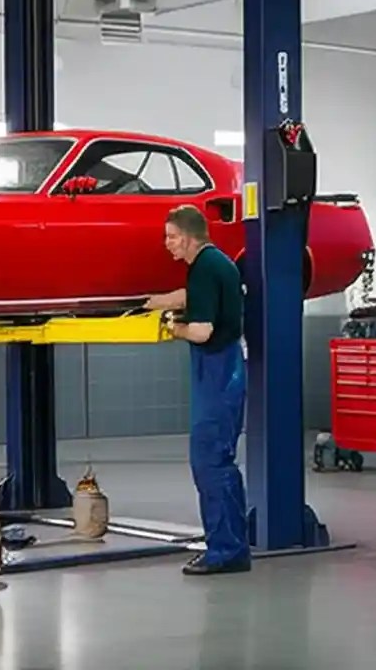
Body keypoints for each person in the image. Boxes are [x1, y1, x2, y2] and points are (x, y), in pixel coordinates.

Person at [143, 205, 251, 576]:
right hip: (226, 367)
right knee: (220, 461)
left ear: (188, 237)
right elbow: (192, 295)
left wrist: (168, 328)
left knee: (210, 462)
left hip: (218, 370)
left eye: (171, 237)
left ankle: (225, 551)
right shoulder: (214, 262)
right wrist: (155, 301)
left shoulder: (204, 267)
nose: (167, 244)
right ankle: (233, 545)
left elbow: (202, 330)